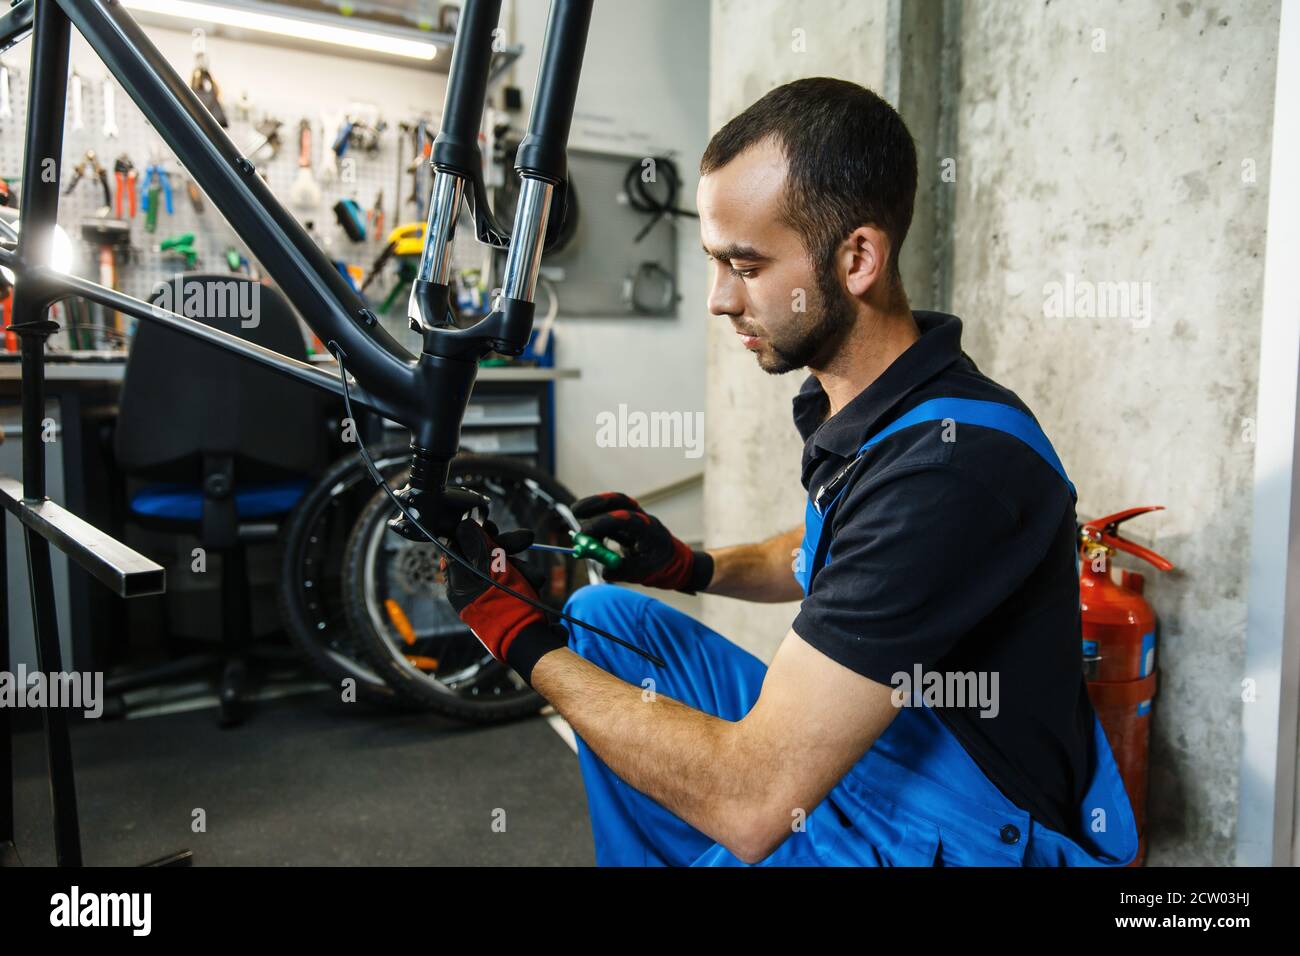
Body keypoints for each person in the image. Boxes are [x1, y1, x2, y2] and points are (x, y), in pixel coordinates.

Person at [443, 77, 1138, 867]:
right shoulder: (869, 402)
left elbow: (752, 800)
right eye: (714, 261)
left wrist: (519, 638)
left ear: (858, 258)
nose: (717, 299)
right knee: (610, 625)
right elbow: (823, 558)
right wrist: (689, 565)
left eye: (746, 265)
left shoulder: (949, 469)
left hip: (968, 815)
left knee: (739, 804)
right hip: (886, 736)